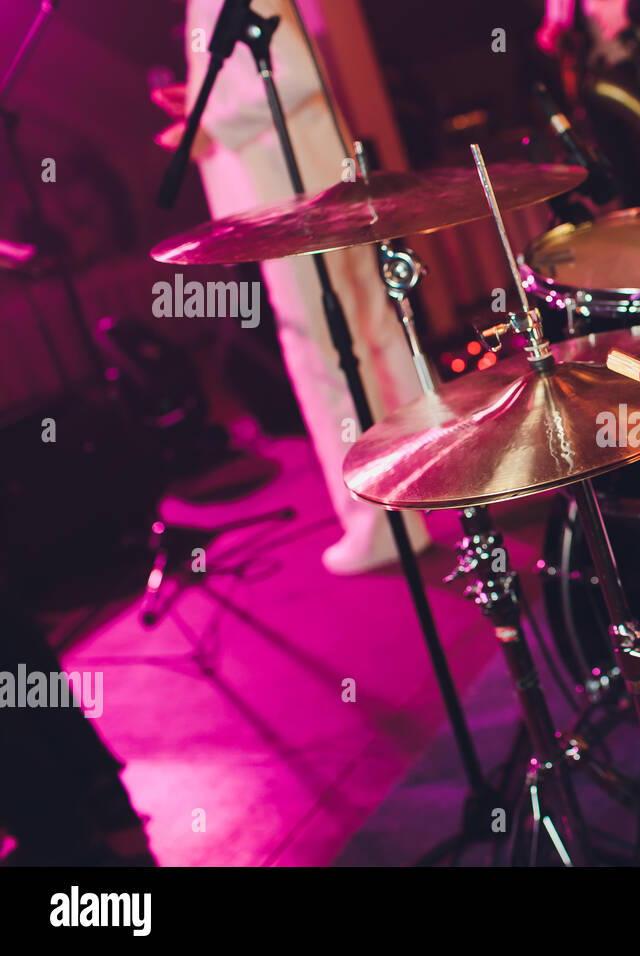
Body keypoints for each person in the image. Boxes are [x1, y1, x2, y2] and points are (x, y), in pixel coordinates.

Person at [154, 0, 430, 574]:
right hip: (308, 184)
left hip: (291, 197)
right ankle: (425, 482)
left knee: (324, 353)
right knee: (366, 333)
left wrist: (207, 125)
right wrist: (203, 104)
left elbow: (294, 75)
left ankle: (379, 518)